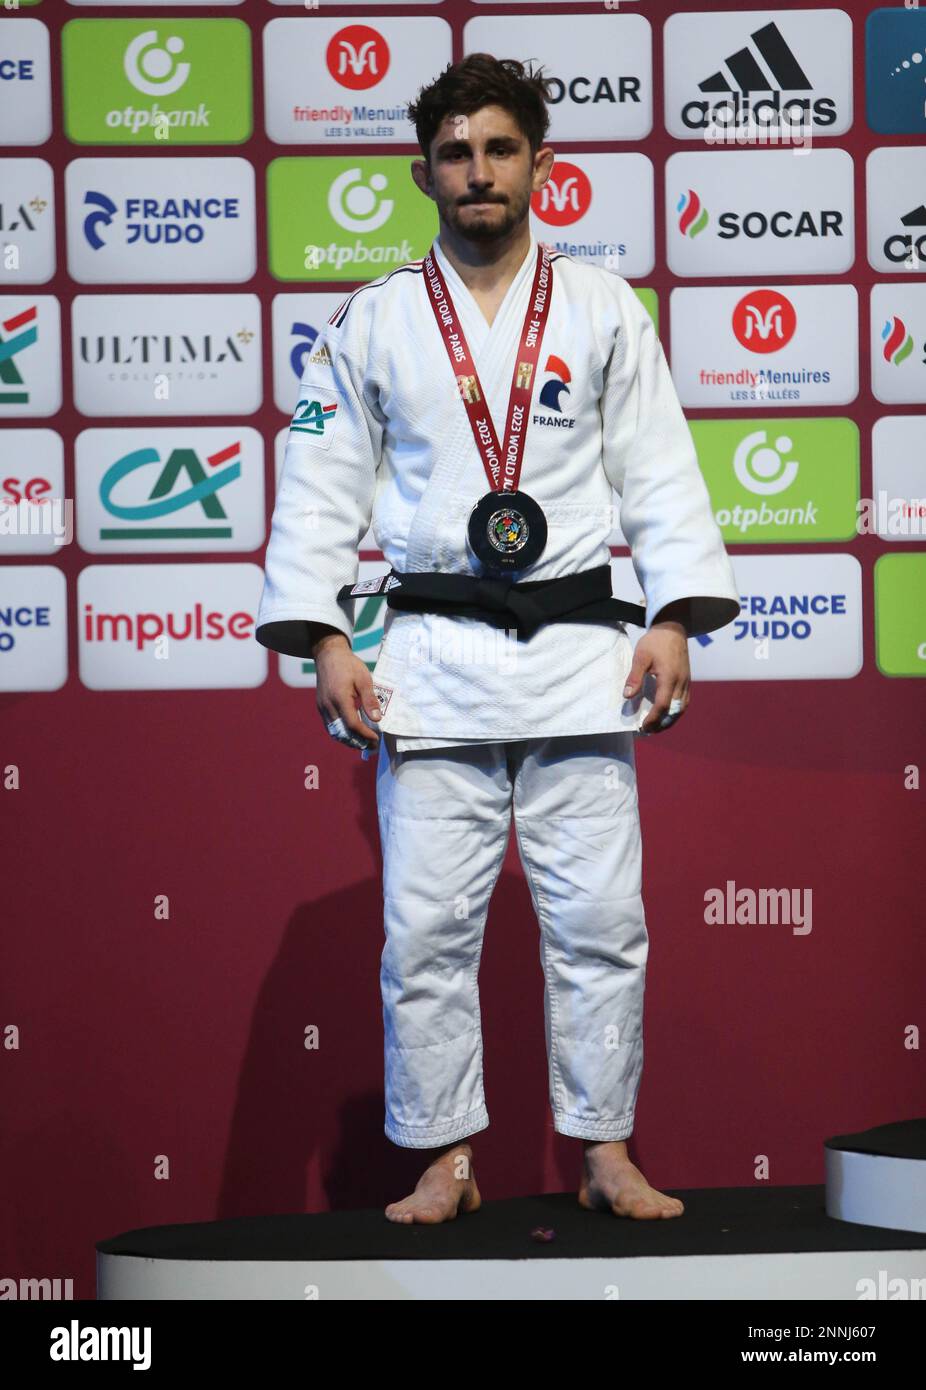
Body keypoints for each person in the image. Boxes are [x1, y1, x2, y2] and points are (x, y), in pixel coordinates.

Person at [255, 54, 741, 1224]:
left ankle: (605, 1149)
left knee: (598, 922)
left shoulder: (600, 308)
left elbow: (659, 470)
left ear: (540, 164)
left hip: (579, 655)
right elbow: (321, 484)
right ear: (422, 170)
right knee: (423, 926)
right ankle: (444, 1161)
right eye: (455, 153)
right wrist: (325, 635)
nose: (477, 173)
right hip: (427, 659)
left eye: (498, 150)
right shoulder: (371, 320)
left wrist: (671, 613)